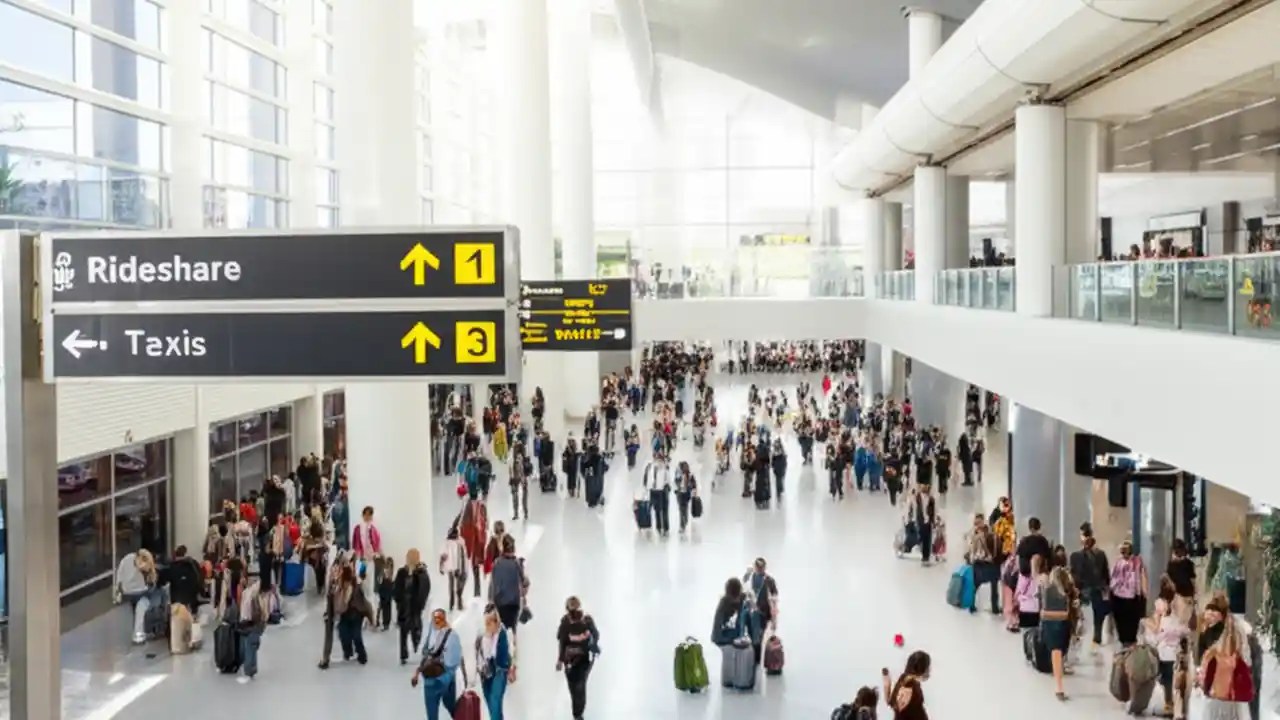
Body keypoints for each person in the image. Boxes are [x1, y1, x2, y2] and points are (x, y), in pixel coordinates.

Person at [1197, 595, 1254, 720]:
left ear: (1222, 614)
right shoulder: (1211, 630)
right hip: (1229, 689)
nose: (1210, 613)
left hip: (1221, 688)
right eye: (1209, 610)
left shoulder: (1227, 630)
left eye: (1214, 610)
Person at [413, 609, 464, 720]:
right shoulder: (452, 635)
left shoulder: (430, 634)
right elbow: (455, 661)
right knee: (454, 710)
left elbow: (423, 652)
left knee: (432, 715)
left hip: (431, 680)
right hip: (445, 679)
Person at [1143, 597, 1189, 717]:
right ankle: (1169, 702)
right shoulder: (1154, 621)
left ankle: (1170, 703)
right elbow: (1152, 638)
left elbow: (1183, 631)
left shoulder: (1173, 620)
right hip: (1162, 654)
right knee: (1166, 679)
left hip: (1171, 655)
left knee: (1169, 680)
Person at [557, 596, 600, 720]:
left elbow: (596, 635)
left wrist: (592, 643)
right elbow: (562, 641)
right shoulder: (566, 623)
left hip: (581, 660)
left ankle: (578, 714)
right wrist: (560, 659)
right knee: (576, 688)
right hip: (572, 661)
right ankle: (577, 713)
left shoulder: (586, 621)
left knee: (579, 687)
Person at [1068, 524, 1111, 649]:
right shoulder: (1078, 556)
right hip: (1089, 590)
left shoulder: (1095, 555)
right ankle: (1091, 641)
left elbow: (1104, 574)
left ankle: (1091, 641)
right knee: (1091, 618)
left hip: (1089, 590)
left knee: (1091, 618)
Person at [1040, 567, 1074, 701]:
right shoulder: (1067, 592)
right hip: (1063, 625)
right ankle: (1059, 685)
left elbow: (1042, 612)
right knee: (1059, 652)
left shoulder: (1047, 590)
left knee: (1055, 653)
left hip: (1050, 625)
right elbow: (1067, 612)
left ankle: (1059, 686)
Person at [332, 562, 374, 665]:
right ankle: (348, 651)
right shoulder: (339, 589)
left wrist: (371, 618)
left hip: (356, 615)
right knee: (343, 634)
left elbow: (365, 603)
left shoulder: (357, 588)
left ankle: (362, 655)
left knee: (356, 636)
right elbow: (337, 604)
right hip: (345, 615)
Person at [394, 548, 431, 665]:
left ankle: (416, 642)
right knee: (403, 632)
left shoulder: (421, 573)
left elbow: (424, 588)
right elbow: (396, 588)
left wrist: (421, 603)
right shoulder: (402, 572)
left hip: (415, 607)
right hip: (404, 607)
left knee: (416, 628)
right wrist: (398, 600)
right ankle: (403, 655)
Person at [476, 605, 513, 720]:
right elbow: (482, 654)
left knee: (495, 701)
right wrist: (487, 636)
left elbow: (507, 653)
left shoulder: (503, 633)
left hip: (499, 671)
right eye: (488, 621)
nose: (491, 623)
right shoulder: (482, 634)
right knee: (492, 706)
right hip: (485, 673)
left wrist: (511, 669)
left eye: (493, 620)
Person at [1110, 540, 1148, 647]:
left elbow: (1112, 579)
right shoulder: (1134, 561)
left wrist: (1143, 593)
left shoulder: (1134, 561)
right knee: (1127, 623)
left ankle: (1127, 642)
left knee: (1127, 623)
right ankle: (1127, 643)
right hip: (1125, 596)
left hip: (1126, 596)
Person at [237, 572, 271, 680]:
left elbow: (244, 608)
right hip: (257, 623)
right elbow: (265, 611)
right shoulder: (260, 593)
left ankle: (249, 668)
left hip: (249, 622)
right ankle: (251, 668)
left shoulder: (248, 592)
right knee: (252, 644)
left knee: (250, 644)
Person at [489, 535, 526, 633]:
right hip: (514, 602)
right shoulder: (516, 563)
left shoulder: (497, 563)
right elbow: (524, 582)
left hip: (500, 602)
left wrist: (491, 601)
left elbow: (493, 583)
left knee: (501, 628)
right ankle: (514, 643)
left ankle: (503, 643)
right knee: (513, 627)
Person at [965, 513, 999, 614]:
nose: (977, 525)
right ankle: (973, 605)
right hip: (981, 562)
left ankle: (994, 606)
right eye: (976, 523)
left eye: (978, 522)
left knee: (989, 584)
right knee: (977, 584)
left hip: (985, 562)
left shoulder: (987, 533)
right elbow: (971, 549)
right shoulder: (975, 534)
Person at [882, 650, 931, 720]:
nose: (929, 670)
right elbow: (901, 709)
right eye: (928, 667)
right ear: (922, 668)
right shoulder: (909, 686)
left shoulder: (904, 680)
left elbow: (891, 703)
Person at [906, 483, 938, 565]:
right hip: (919, 521)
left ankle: (926, 557)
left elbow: (934, 510)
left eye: (926, 485)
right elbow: (912, 508)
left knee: (927, 539)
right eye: (922, 485)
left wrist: (934, 521)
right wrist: (910, 519)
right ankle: (910, 547)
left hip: (928, 521)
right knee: (920, 537)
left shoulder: (931, 499)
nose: (924, 487)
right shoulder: (916, 497)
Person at [440, 526, 468, 611]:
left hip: (452, 567)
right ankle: (456, 603)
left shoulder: (449, 542)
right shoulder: (459, 541)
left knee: (452, 585)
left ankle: (453, 604)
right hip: (457, 567)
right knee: (456, 585)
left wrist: (440, 566)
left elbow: (443, 556)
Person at [644, 457, 672, 537]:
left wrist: (666, 486)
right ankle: (659, 527)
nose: (658, 462)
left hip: (661, 491)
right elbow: (647, 479)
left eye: (660, 461)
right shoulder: (650, 468)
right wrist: (647, 488)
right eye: (657, 460)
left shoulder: (665, 469)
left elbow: (668, 480)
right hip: (653, 490)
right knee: (656, 510)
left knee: (664, 510)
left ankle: (665, 528)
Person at [674, 461, 697, 533]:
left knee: (685, 508)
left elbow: (694, 484)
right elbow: (675, 482)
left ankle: (685, 521)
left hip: (686, 494)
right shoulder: (679, 474)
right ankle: (682, 525)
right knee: (681, 510)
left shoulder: (690, 475)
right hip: (680, 494)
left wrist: (693, 490)